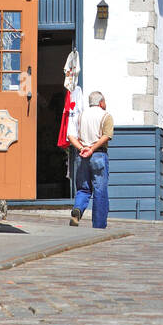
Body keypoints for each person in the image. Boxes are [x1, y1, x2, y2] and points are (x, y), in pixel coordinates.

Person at [69, 91, 113, 228]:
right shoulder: (106, 116)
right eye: (104, 101)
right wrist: (92, 149)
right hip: (98, 155)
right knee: (100, 191)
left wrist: (82, 148)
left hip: (82, 155)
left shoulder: (80, 116)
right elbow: (106, 136)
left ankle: (78, 210)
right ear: (101, 102)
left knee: (83, 188)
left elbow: (71, 136)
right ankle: (99, 225)